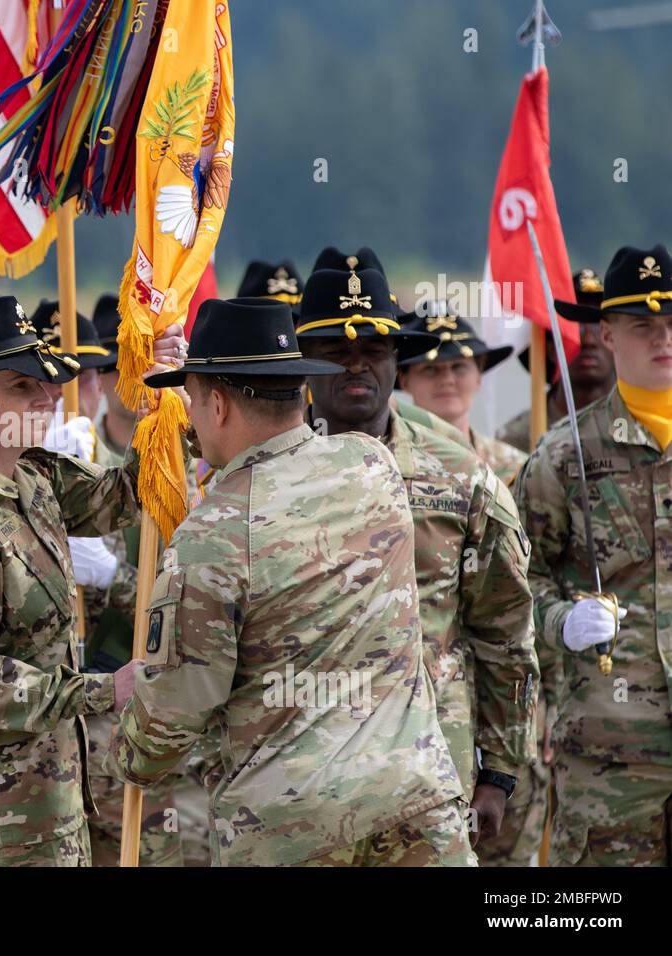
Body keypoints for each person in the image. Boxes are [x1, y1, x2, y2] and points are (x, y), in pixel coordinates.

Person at [108, 297, 471, 866]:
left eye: (195, 404)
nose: (193, 418)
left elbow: (171, 719)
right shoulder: (372, 465)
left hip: (289, 829)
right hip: (415, 803)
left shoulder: (212, 533)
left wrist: (125, 743)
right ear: (301, 388)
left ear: (219, 405)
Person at [0, 295, 184, 866]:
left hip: (49, 800)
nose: (49, 396)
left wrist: (167, 398)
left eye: (43, 382)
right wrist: (105, 690)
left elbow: (128, 494)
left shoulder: (31, 476)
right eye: (22, 385)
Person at [296, 265, 538, 847]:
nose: (356, 363)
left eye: (374, 348)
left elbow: (503, 632)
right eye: (335, 349)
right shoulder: (264, 478)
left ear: (395, 361)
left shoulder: (463, 480)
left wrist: (499, 774)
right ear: (303, 359)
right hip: (296, 784)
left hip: (427, 776)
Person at [516, 244, 672, 866]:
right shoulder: (563, 458)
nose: (663, 339)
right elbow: (511, 590)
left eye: (671, 325)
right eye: (643, 326)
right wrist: (563, 622)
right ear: (606, 333)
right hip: (611, 759)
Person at [396, 299, 525, 485]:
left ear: (479, 376)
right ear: (404, 380)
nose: (447, 380)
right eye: (430, 369)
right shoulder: (386, 462)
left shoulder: (515, 467)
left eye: (458, 367)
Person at [498, 269, 615, 454]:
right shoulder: (515, 440)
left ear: (617, 340)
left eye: (597, 325)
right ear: (550, 347)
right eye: (572, 326)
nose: (587, 340)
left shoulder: (646, 427)